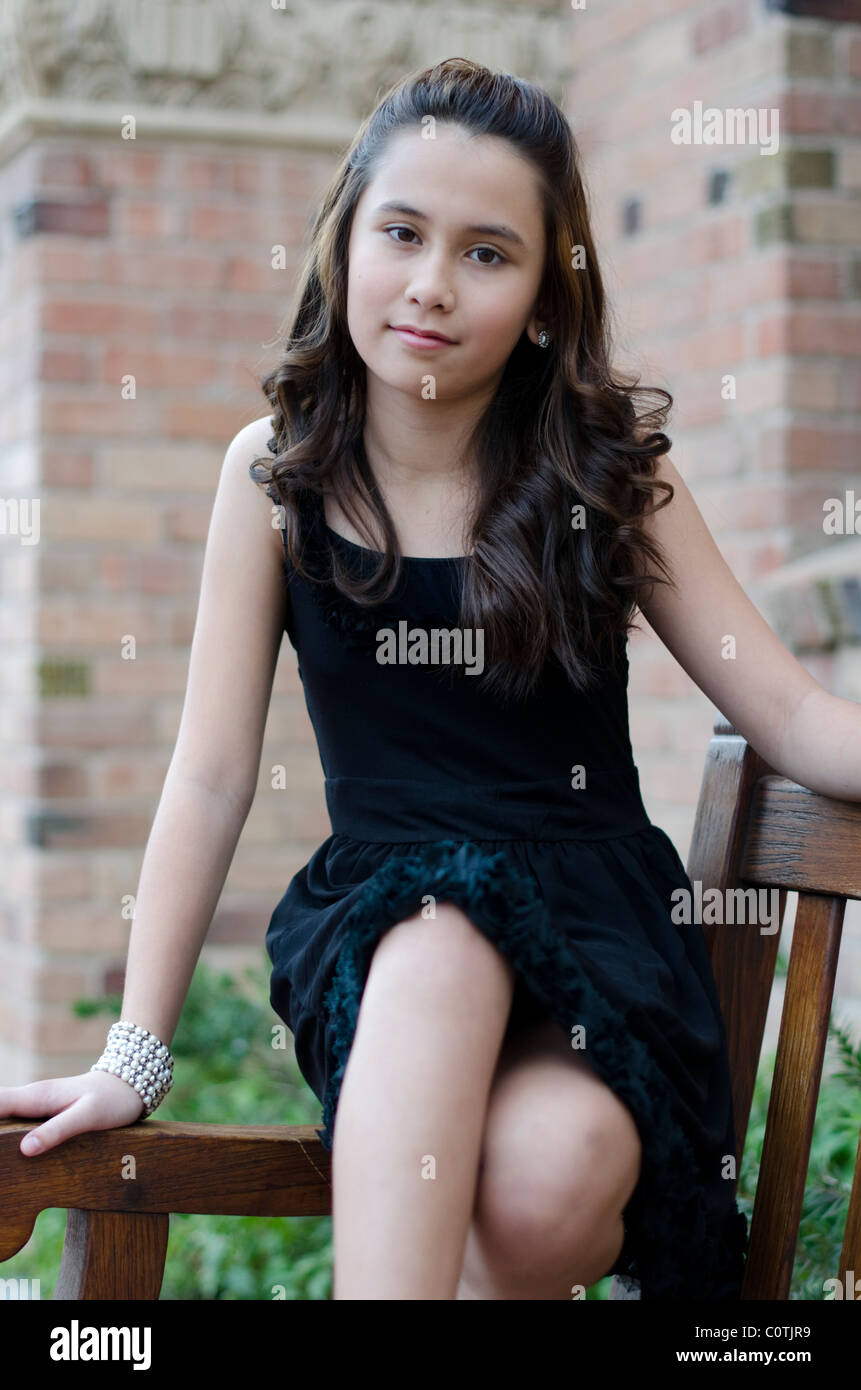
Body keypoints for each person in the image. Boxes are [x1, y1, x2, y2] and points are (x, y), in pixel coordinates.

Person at [3, 58, 860, 1302]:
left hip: (594, 946)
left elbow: (787, 711)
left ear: (547, 297)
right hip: (396, 950)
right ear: (346, 239)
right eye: (402, 232)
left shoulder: (609, 481)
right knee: (445, 925)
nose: (431, 284)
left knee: (539, 1192)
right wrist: (135, 1055)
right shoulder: (278, 476)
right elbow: (210, 772)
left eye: (488, 253)